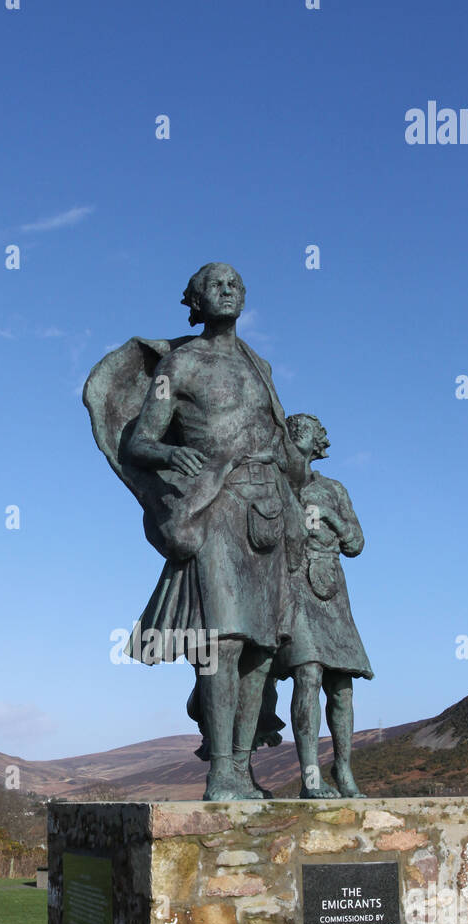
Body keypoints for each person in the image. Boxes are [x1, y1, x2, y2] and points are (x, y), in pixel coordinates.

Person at [124, 263, 306, 801]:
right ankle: (221, 770)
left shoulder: (260, 364)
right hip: (216, 504)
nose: (228, 290)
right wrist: (172, 450)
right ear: (195, 302)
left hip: (268, 506)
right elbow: (139, 442)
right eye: (215, 284)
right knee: (222, 641)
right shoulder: (180, 364)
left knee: (263, 648)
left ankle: (242, 768)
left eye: (236, 284)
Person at [269, 413, 374, 798]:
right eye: (316, 431)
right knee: (307, 674)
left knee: (342, 687)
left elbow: (357, 544)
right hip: (294, 584)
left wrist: (329, 516)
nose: (322, 437)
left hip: (332, 589)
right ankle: (310, 778)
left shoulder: (334, 489)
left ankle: (342, 769)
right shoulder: (278, 482)